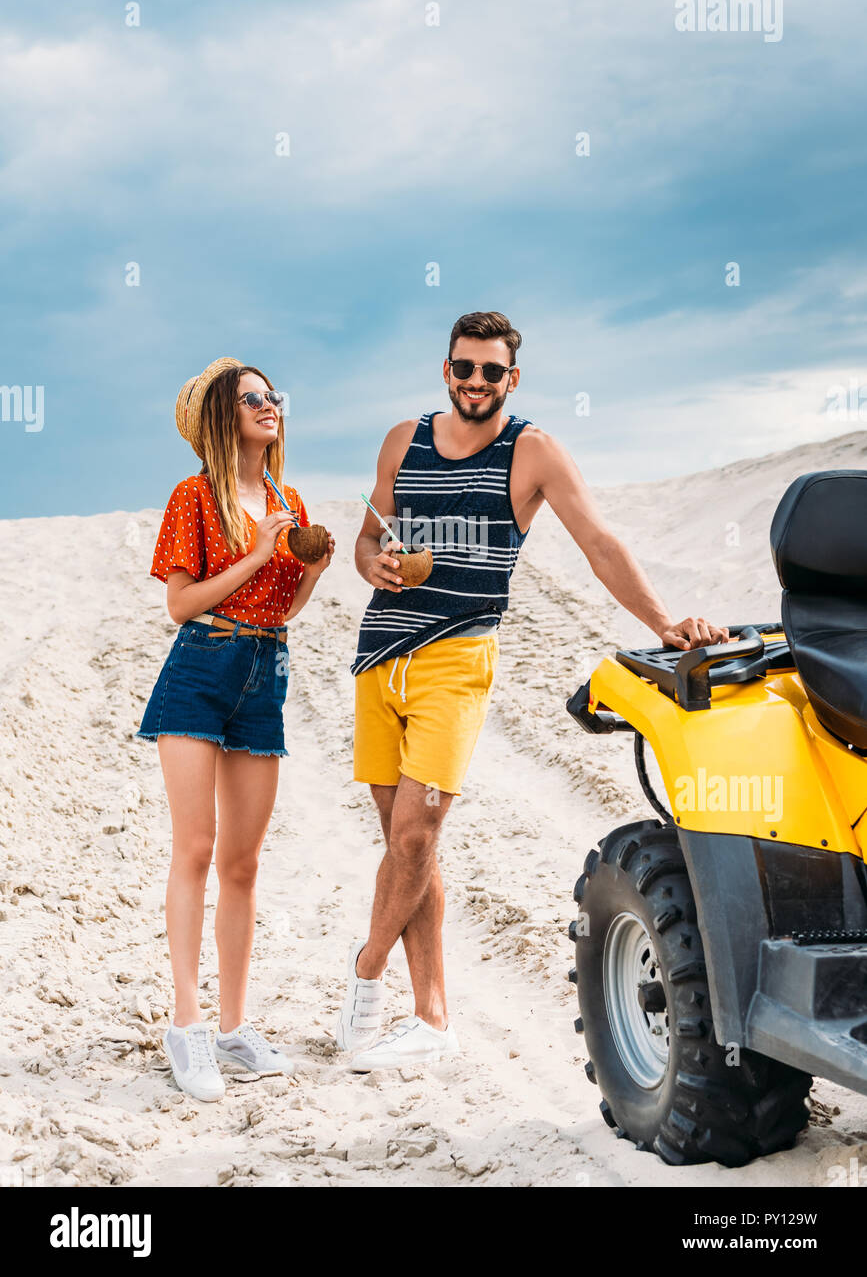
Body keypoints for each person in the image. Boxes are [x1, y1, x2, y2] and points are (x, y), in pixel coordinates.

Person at [338, 311, 728, 1071]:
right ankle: (431, 1018)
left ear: (511, 379)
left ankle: (366, 970)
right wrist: (369, 563)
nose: (474, 382)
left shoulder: (533, 450)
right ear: (444, 370)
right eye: (463, 368)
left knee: (415, 834)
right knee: (406, 847)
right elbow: (366, 534)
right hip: (379, 654)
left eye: (490, 371)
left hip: (457, 658)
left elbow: (598, 541)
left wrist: (661, 620)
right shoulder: (400, 440)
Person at [137, 356, 334, 1101]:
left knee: (243, 865)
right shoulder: (193, 496)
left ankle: (233, 1025)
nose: (268, 404)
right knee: (196, 846)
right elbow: (180, 606)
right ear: (223, 416)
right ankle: (185, 1025)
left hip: (264, 672)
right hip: (200, 666)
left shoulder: (288, 497)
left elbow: (279, 612)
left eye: (272, 394)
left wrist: (309, 568)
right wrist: (258, 552)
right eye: (251, 397)